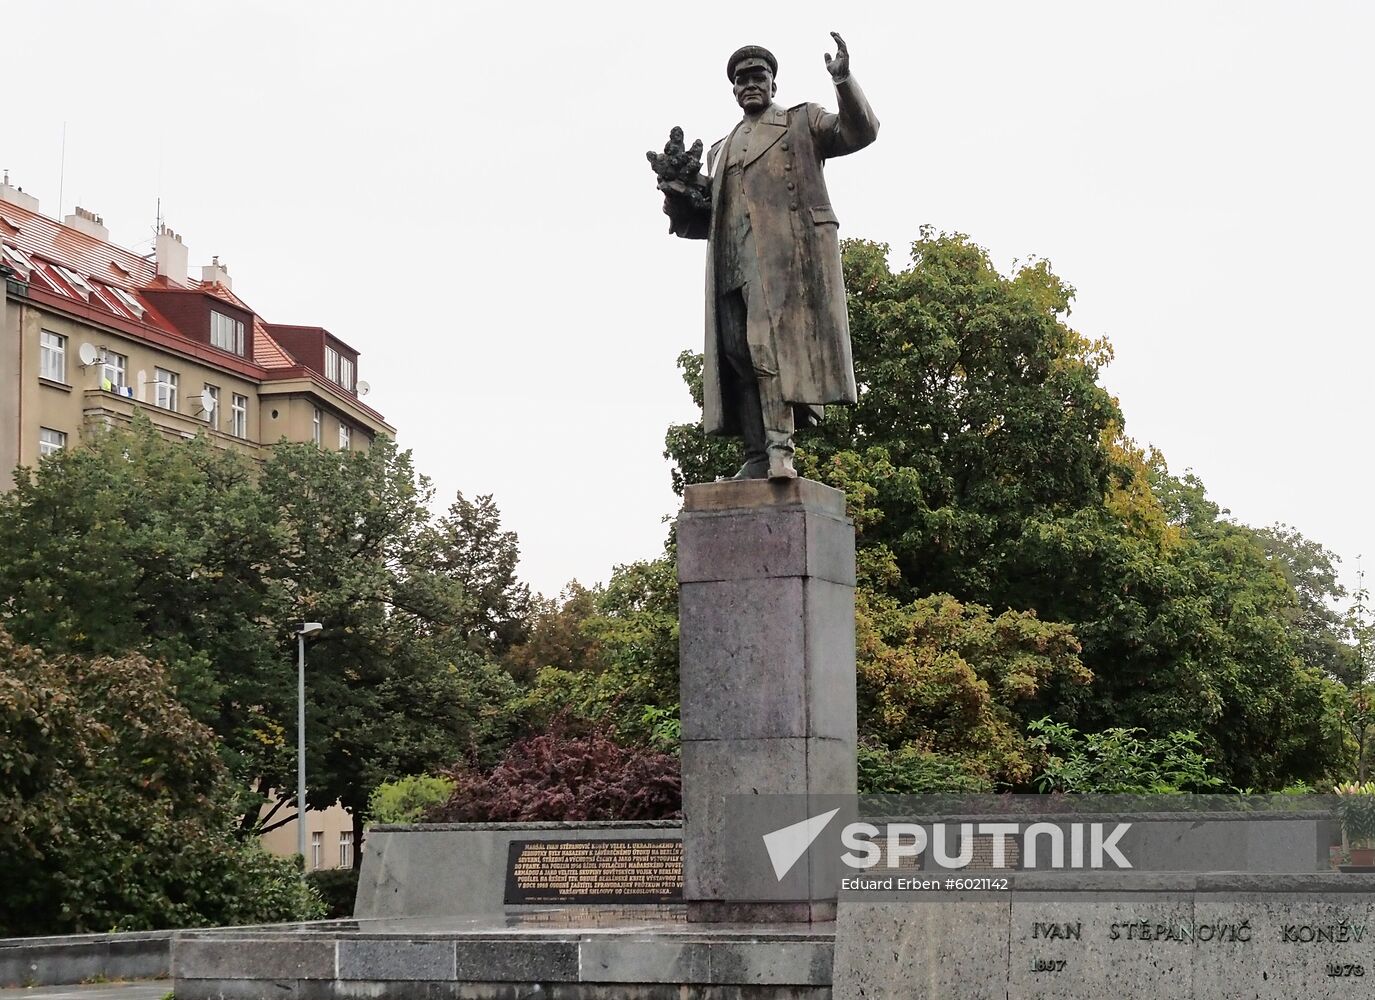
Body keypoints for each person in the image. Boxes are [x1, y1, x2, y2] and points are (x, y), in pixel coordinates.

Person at [656, 33, 879, 480]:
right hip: (730, 265)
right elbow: (703, 217)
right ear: (734, 90)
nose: (750, 84)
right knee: (737, 355)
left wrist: (843, 81)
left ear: (773, 83)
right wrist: (675, 190)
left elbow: (859, 132)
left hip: (782, 263)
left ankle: (780, 451)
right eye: (741, 80)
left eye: (758, 76)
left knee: (765, 349)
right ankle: (757, 454)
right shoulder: (720, 149)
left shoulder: (800, 122)